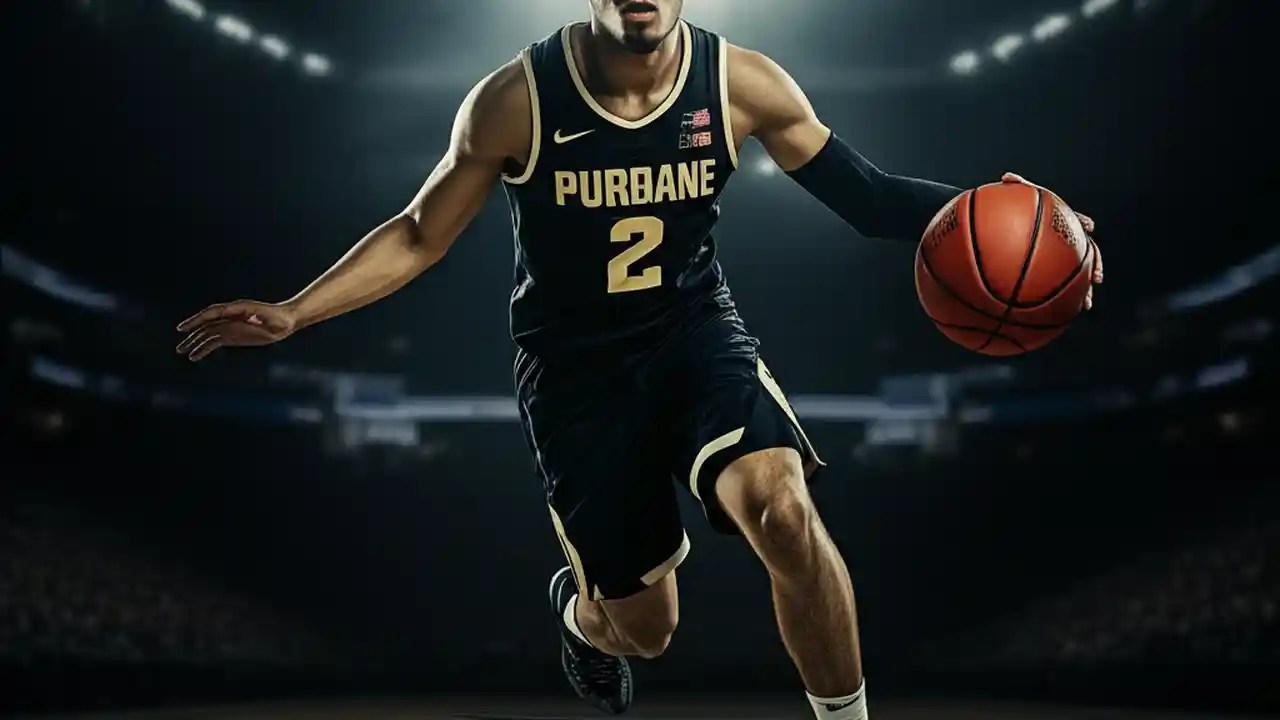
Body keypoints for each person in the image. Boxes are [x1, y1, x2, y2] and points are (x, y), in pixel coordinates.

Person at [175, 1, 1103, 717]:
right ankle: (583, 619)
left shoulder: (742, 83)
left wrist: (1021, 215)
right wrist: (297, 312)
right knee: (647, 634)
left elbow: (870, 200)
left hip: (694, 334)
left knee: (784, 509)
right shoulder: (515, 100)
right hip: (576, 373)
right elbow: (420, 236)